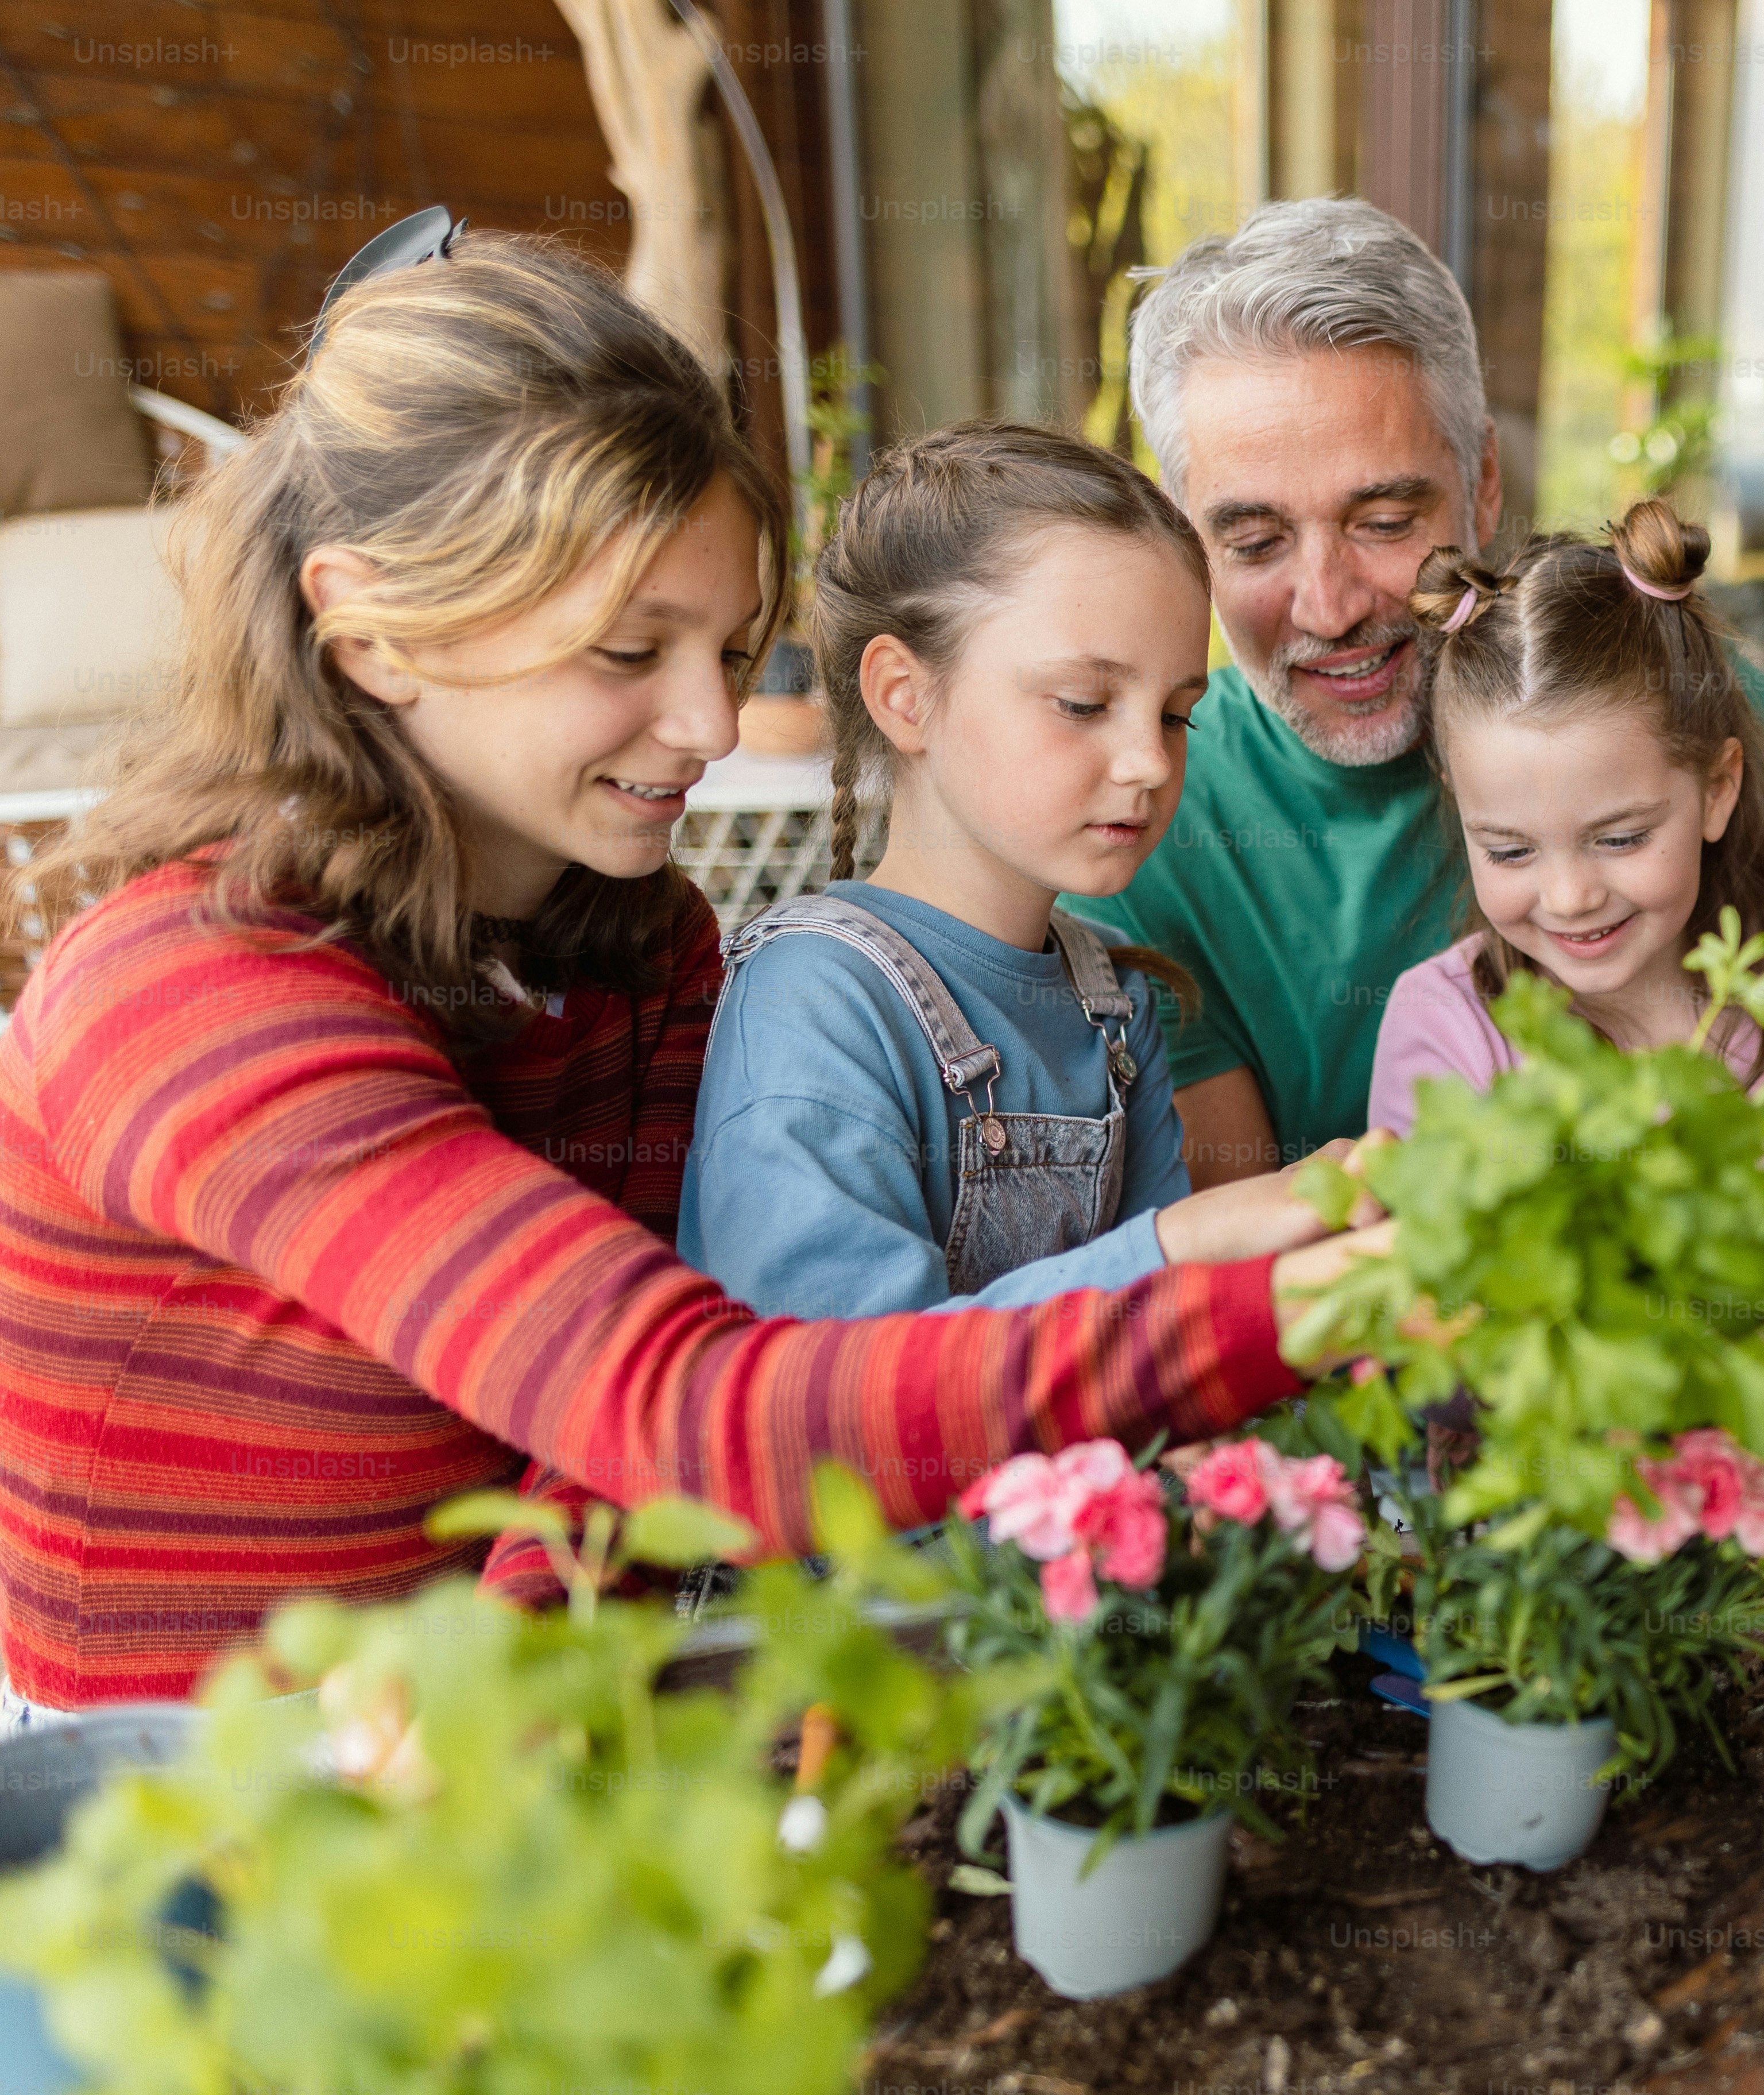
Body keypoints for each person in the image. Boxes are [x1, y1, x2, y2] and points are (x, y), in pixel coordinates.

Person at [0, 237, 1374, 1713]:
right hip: (166, 1820)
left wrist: (529, 1700)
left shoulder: (642, 949)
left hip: (490, 1752)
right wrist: (1269, 1303)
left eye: (727, 647)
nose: (714, 722)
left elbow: (589, 1451)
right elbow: (694, 1413)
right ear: (375, 631)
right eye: (631, 650)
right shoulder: (189, 994)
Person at [1070, 197, 1764, 1379]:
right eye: (1253, 545)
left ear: (1484, 483)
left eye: (1386, 519)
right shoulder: (1150, 821)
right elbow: (1269, 1272)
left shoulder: (1655, 707)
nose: (1330, 602)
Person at [681, 422, 1352, 1319]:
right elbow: (834, 1389)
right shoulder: (813, 1005)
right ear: (904, 697)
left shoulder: (1116, 1003)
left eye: (1176, 716)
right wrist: (1179, 1245)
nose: (1149, 762)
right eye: (1084, 704)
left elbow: (1157, 1347)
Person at [1367, 504, 1764, 1416]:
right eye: (1508, 851)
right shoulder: (1446, 1026)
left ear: (1717, 789)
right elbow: (1426, 1336)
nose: (1571, 897)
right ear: (1459, 810)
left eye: (1620, 838)